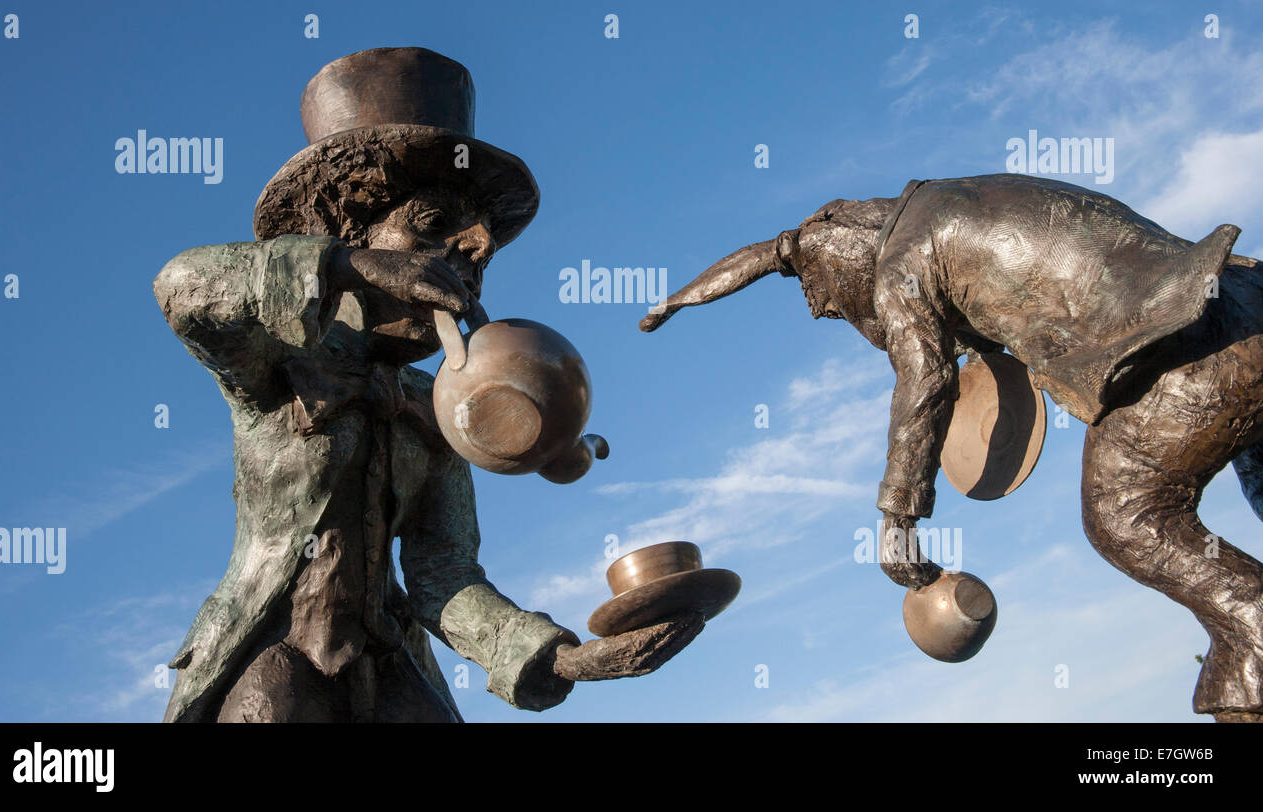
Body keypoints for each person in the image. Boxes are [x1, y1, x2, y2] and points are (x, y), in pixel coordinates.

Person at [156, 47, 700, 722]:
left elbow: (444, 573)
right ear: (356, 235)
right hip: (273, 654)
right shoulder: (275, 363)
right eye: (433, 225)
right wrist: (351, 267)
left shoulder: (442, 407)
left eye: (480, 252)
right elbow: (182, 288)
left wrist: (562, 657)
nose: (470, 256)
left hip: (388, 659)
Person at [641, 173, 1263, 721]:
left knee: (1125, 517)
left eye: (830, 306)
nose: (843, 315)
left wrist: (897, 518)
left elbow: (926, 379)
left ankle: (1252, 634)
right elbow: (772, 253)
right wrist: (679, 299)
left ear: (840, 258)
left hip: (1187, 355)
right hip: (1242, 303)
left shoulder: (901, 263)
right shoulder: (949, 203)